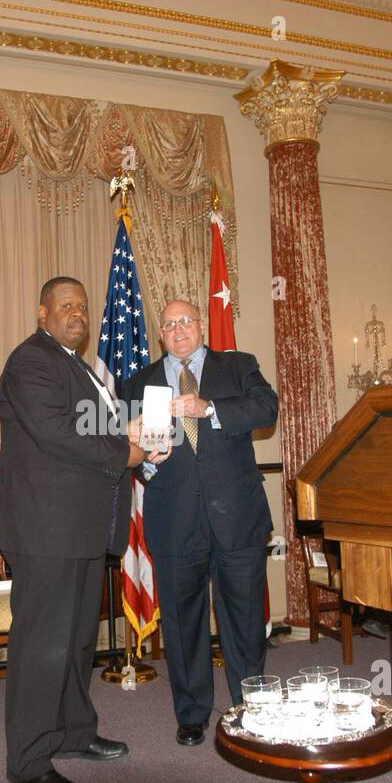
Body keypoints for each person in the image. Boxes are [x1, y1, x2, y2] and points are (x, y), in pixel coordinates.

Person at [0, 276, 146, 783]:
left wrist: (140, 439)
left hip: (81, 528)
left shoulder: (79, 366)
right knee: (42, 646)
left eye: (83, 306)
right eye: (65, 305)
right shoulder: (31, 361)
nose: (77, 314)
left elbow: (96, 430)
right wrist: (123, 451)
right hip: (45, 529)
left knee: (78, 641)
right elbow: (57, 432)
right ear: (42, 313)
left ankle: (75, 734)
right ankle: (29, 758)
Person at [126, 299, 278, 746]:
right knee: (182, 622)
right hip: (174, 519)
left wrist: (208, 407)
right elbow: (132, 451)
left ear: (202, 326)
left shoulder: (238, 366)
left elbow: (266, 408)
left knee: (244, 620)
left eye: (185, 322)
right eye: (169, 325)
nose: (178, 331)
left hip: (237, 518)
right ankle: (191, 714)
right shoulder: (139, 382)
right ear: (161, 335)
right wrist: (146, 464)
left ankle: (251, 709)